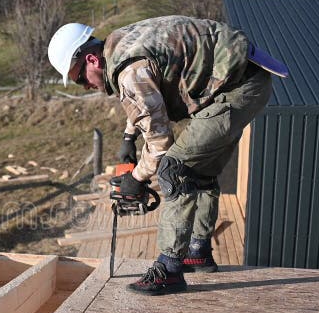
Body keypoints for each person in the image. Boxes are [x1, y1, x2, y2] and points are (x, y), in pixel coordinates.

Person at [48, 16, 287, 295]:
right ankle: (197, 252)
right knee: (200, 171)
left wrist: (136, 179)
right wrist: (129, 136)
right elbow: (148, 97)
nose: (86, 86)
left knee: (175, 169)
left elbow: (160, 145)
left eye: (79, 79)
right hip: (242, 76)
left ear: (92, 60)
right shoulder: (120, 42)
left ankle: (169, 270)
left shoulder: (128, 71)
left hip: (236, 88)